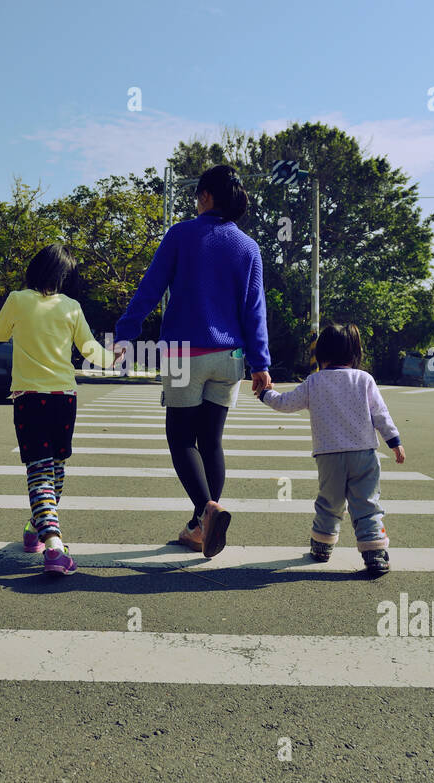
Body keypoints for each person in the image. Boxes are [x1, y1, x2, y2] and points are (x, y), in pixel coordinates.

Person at [114, 165, 271, 558]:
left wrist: (126, 333)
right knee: (211, 441)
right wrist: (260, 363)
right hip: (229, 357)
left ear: (206, 197)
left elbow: (150, 287)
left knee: (181, 438)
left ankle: (207, 512)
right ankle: (200, 527)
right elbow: (255, 311)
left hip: (185, 352)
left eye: (197, 194)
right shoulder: (249, 248)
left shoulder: (181, 234)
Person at [0, 245, 118, 575]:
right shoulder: (72, 307)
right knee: (55, 469)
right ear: (64, 276)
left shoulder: (18, 300)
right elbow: (89, 348)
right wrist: (112, 358)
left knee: (39, 469)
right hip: (65, 398)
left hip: (29, 398)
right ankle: (37, 531)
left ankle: (53, 546)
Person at [257, 323, 404, 575]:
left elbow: (286, 403)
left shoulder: (314, 382)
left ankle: (322, 546)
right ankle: (375, 553)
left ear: (321, 352)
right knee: (367, 503)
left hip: (329, 456)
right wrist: (395, 442)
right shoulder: (364, 379)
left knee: (330, 502)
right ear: (354, 352)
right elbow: (380, 415)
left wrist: (265, 394)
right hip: (364, 454)